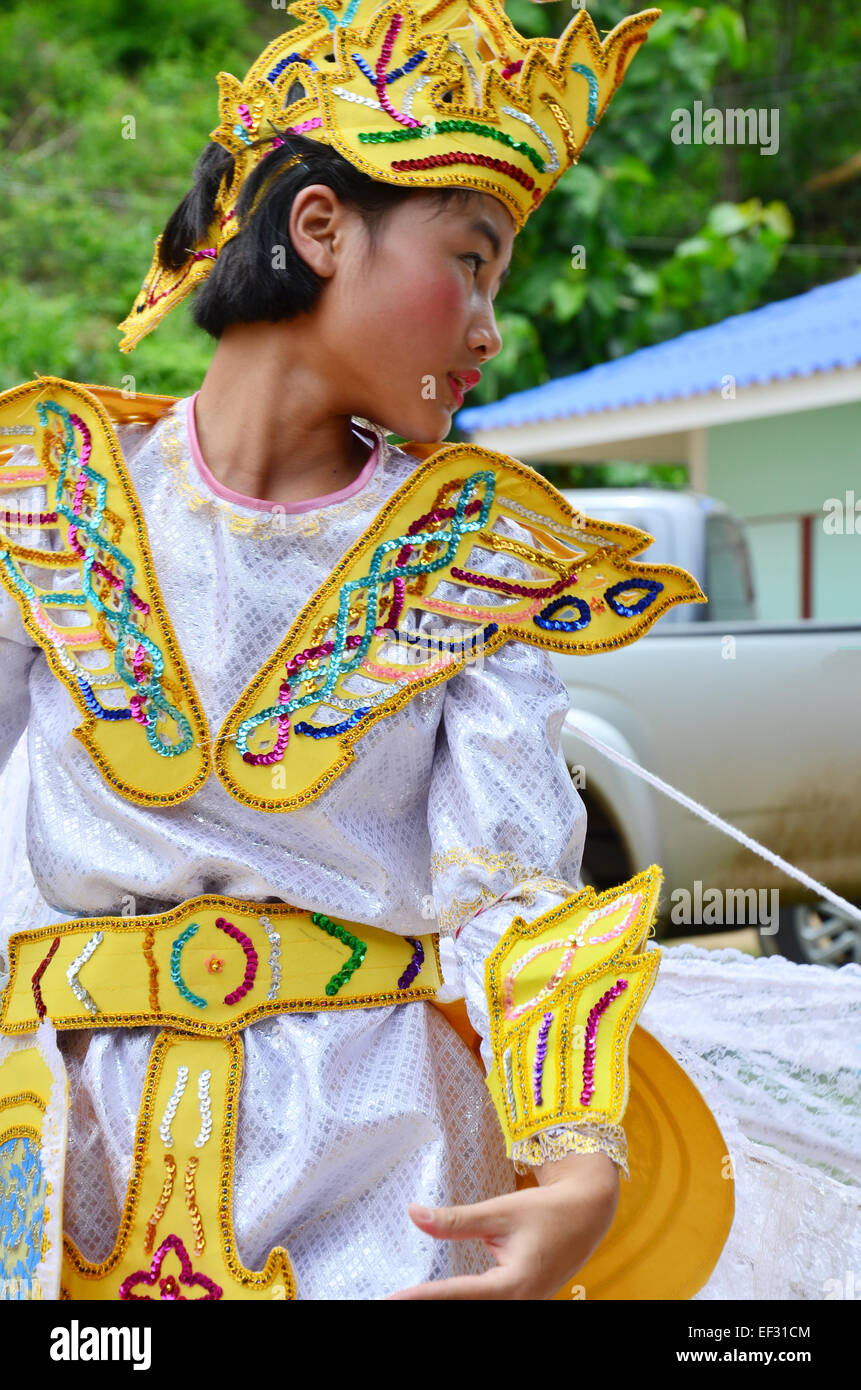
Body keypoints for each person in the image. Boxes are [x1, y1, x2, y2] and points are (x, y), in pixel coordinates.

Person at [1, 0, 857, 1303]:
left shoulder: (477, 554)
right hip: (57, 1161)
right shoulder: (44, 492)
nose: (488, 326)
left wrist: (575, 1146)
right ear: (322, 229)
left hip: (376, 1159)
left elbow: (510, 896)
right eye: (471, 259)